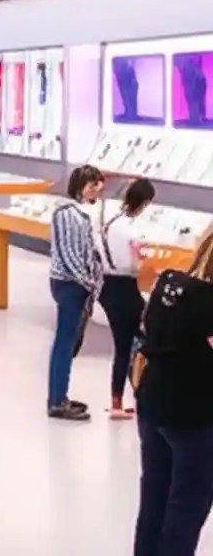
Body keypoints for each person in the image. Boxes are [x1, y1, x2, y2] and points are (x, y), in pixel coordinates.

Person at [133, 226, 213, 556]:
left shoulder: (169, 283)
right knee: (186, 507)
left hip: (153, 402)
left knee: (154, 497)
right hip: (196, 415)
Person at [47, 164, 106, 421]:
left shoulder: (84, 214)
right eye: (92, 185)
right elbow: (70, 255)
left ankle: (60, 395)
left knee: (70, 340)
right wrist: (88, 283)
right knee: (65, 341)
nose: (96, 190)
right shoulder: (67, 214)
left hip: (79, 285)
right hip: (71, 284)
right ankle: (57, 400)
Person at [100, 177, 155, 420]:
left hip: (108, 286)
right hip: (125, 287)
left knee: (125, 345)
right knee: (144, 340)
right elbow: (133, 263)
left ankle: (120, 400)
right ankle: (137, 398)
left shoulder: (112, 223)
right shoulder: (131, 229)